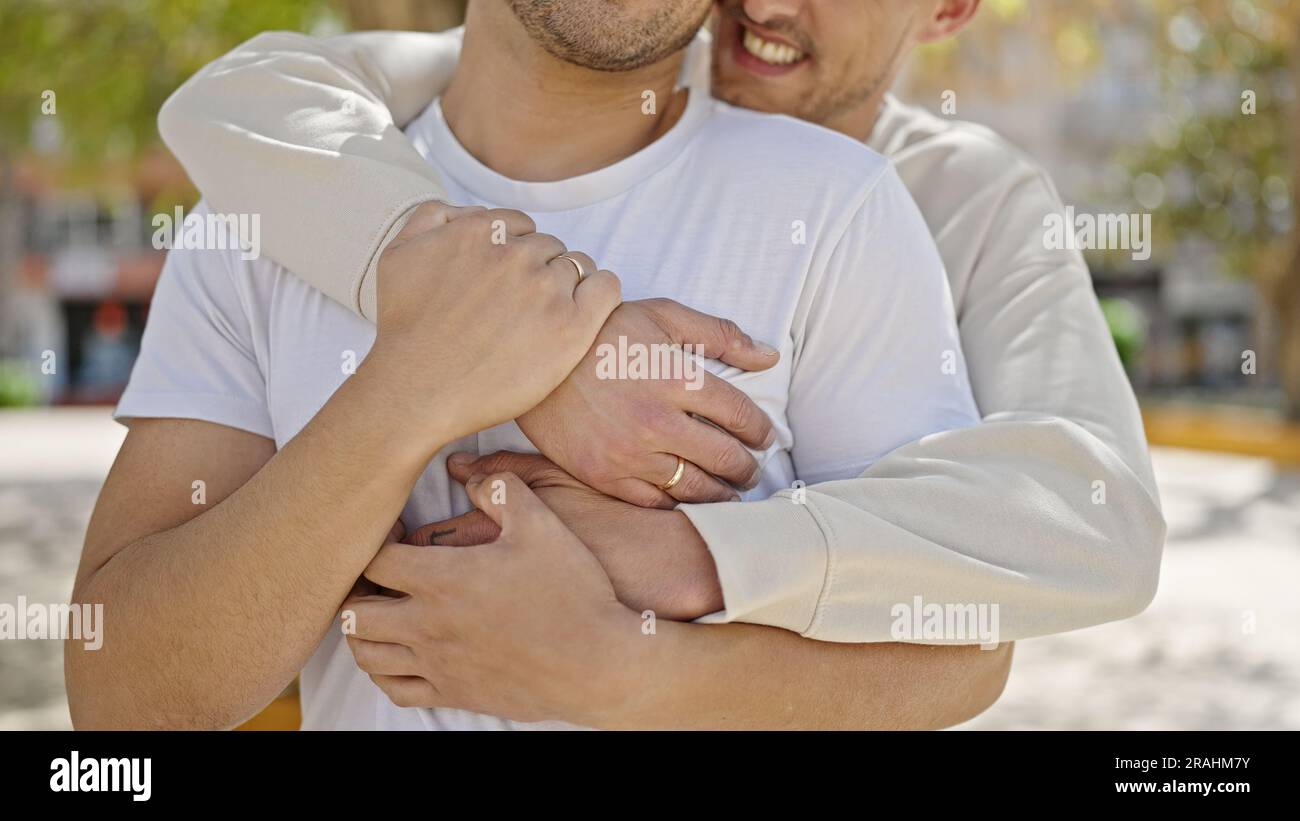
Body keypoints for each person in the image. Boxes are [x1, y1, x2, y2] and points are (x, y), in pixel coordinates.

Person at [67, 0, 1009, 730]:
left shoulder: (838, 207)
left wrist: (622, 671)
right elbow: (121, 696)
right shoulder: (268, 212)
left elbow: (960, 645)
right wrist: (419, 385)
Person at [154, 0, 1165, 641]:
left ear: (948, 10)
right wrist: (553, 351)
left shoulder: (963, 195)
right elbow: (244, 96)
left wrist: (697, 558)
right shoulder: (598, 67)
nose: (764, 5)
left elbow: (1092, 520)